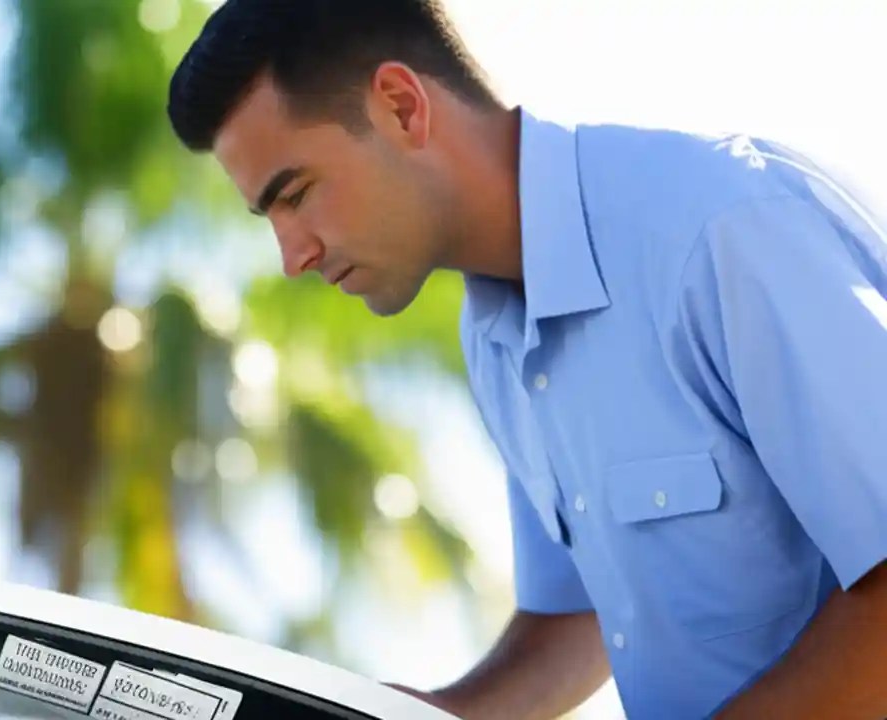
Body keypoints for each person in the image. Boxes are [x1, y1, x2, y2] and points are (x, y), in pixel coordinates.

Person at [165, 1, 887, 718]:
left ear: (400, 105)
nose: (293, 257)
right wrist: (437, 714)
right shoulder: (494, 340)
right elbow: (583, 613)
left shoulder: (717, 230)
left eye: (295, 194)